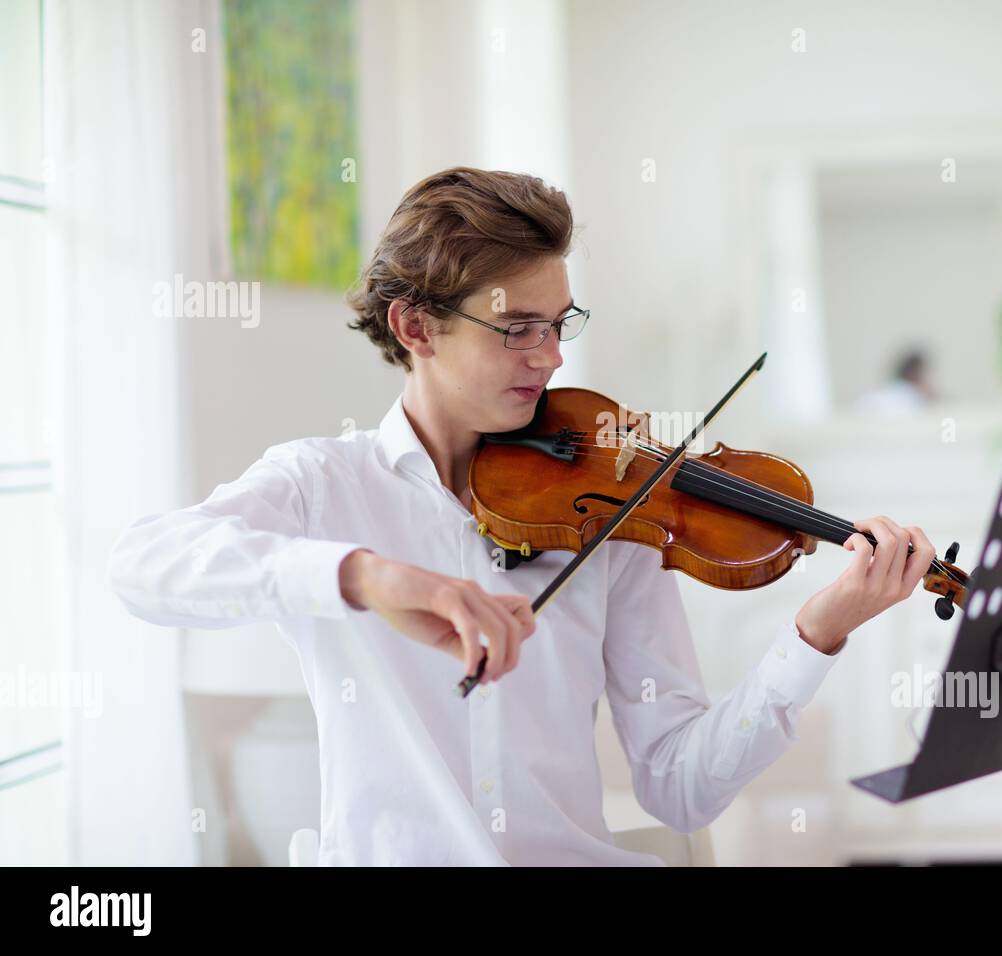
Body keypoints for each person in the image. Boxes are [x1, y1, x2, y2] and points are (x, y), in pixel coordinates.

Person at [108, 167, 937, 865]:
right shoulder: (324, 484)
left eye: (559, 324)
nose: (551, 356)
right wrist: (365, 575)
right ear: (415, 326)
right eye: (517, 329)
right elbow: (144, 566)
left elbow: (681, 789)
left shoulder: (615, 509)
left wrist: (819, 632)